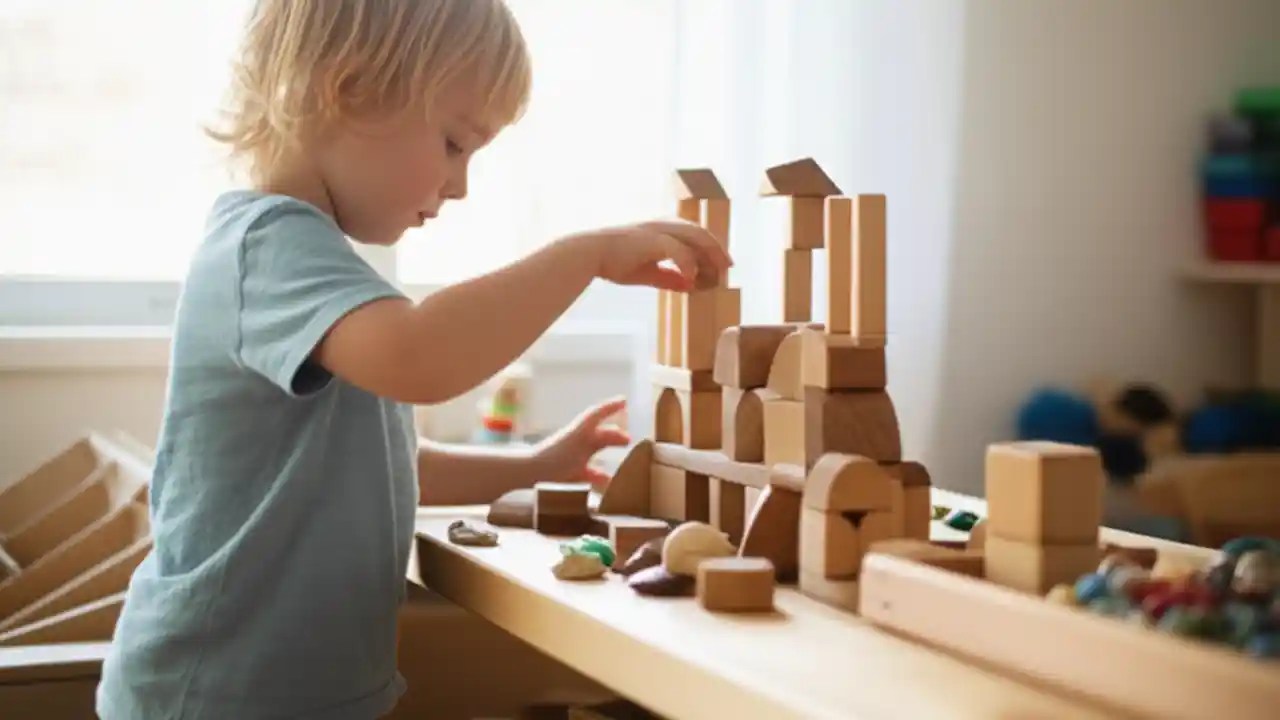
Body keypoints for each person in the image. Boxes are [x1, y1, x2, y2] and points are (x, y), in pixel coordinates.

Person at [95, 1, 730, 718]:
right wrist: (587, 256)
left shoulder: (319, 272)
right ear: (349, 89)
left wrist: (529, 469)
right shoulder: (267, 246)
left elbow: (383, 467)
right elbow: (422, 355)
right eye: (456, 144)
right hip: (219, 692)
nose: (458, 186)